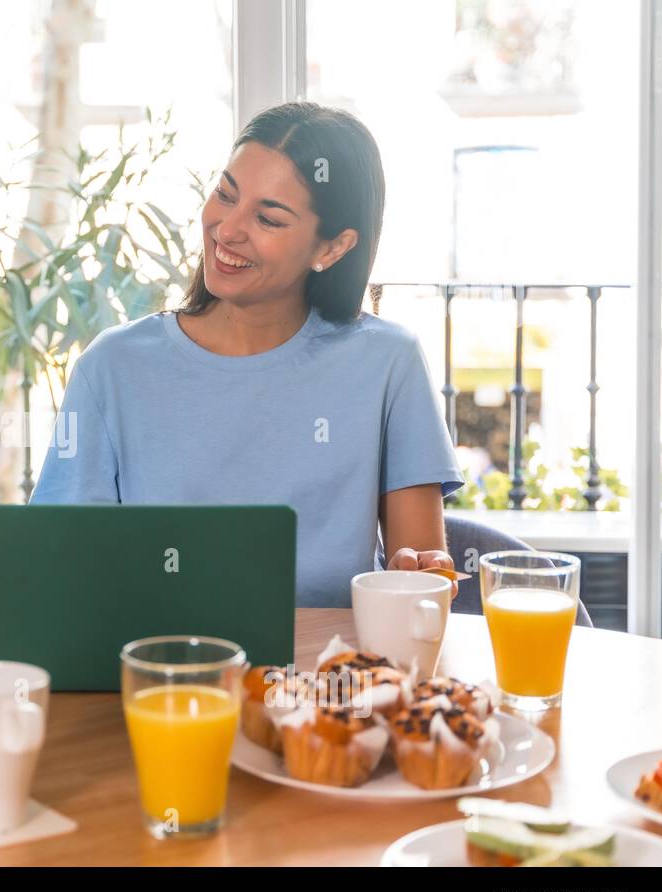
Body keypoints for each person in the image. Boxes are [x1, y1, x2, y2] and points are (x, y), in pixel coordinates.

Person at [31, 101, 463, 607]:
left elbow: (418, 590)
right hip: (167, 677)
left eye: (268, 218)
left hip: (328, 679)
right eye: (225, 194)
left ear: (333, 248)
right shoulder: (113, 367)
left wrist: (420, 578)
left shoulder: (389, 363)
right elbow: (60, 573)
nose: (228, 229)